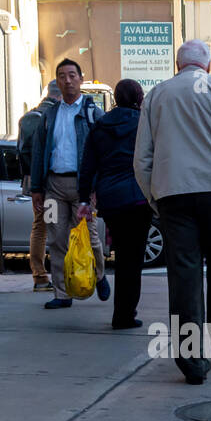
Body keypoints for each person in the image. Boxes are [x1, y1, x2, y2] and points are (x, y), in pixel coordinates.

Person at [134, 40, 211, 385]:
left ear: (177, 65)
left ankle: (191, 361)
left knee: (184, 277)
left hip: (173, 194)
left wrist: (154, 195)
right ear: (209, 65)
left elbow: (142, 158)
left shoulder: (156, 95)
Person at [29, 58, 108, 309]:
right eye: (62, 76)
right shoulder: (49, 114)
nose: (68, 81)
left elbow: (103, 153)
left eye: (72, 75)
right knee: (55, 239)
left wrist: (96, 187)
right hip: (53, 187)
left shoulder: (93, 113)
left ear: (81, 79)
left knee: (90, 235)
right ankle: (62, 293)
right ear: (57, 81)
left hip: (83, 188)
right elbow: (39, 151)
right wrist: (36, 188)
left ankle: (100, 276)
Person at [79, 79, 150, 329]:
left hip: (110, 199)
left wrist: (83, 199)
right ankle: (125, 313)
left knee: (122, 255)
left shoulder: (100, 126)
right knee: (134, 258)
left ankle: (122, 313)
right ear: (138, 98)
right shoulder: (143, 123)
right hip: (138, 197)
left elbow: (87, 166)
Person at [17, 80, 61, 291]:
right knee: (55, 228)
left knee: (40, 228)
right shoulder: (55, 116)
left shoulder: (27, 118)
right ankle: (60, 275)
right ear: (60, 96)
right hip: (53, 183)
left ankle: (39, 276)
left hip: (34, 183)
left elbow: (21, 151)